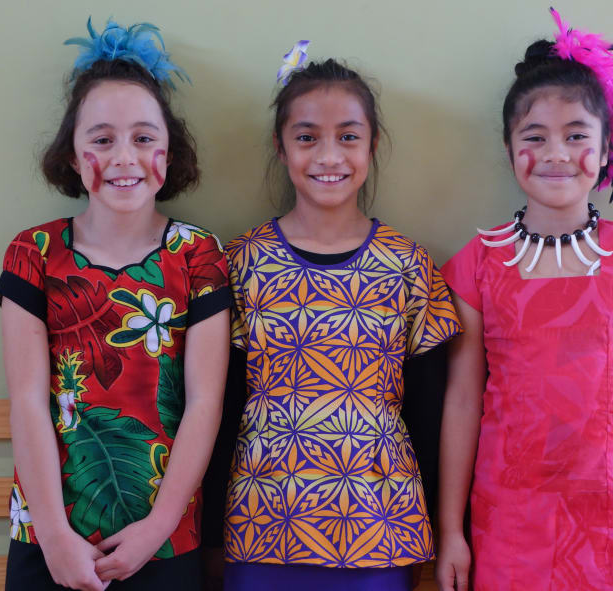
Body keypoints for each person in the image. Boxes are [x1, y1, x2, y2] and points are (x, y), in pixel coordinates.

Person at [435, 9, 613, 591]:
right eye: (535, 137)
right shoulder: (476, 265)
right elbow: (463, 402)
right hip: (507, 524)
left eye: (577, 135)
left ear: (605, 148)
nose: (556, 153)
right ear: (508, 147)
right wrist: (452, 530)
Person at [0, 19, 230, 591]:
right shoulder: (34, 254)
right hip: (47, 539)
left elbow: (204, 403)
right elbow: (26, 399)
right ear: (74, 156)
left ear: (168, 154)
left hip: (165, 539)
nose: (124, 156)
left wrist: (158, 527)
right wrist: (52, 535)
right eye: (102, 139)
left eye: (143, 138)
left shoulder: (198, 254)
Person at [215, 41, 461, 591]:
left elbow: (429, 414)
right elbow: (220, 407)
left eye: (348, 136)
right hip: (260, 525)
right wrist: (209, 534)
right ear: (282, 148)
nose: (329, 157)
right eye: (307, 138)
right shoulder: (238, 264)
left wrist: (447, 531)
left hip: (381, 530)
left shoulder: (409, 267)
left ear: (372, 146)